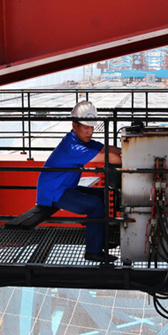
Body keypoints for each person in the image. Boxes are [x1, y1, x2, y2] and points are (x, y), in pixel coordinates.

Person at [36, 101, 122, 263]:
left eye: (92, 128)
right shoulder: (73, 147)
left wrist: (129, 150)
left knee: (103, 194)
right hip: (54, 193)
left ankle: (100, 240)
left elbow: (107, 149)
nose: (90, 132)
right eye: (86, 127)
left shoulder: (81, 140)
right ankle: (93, 251)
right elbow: (111, 157)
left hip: (65, 187)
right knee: (95, 205)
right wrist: (130, 158)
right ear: (74, 126)